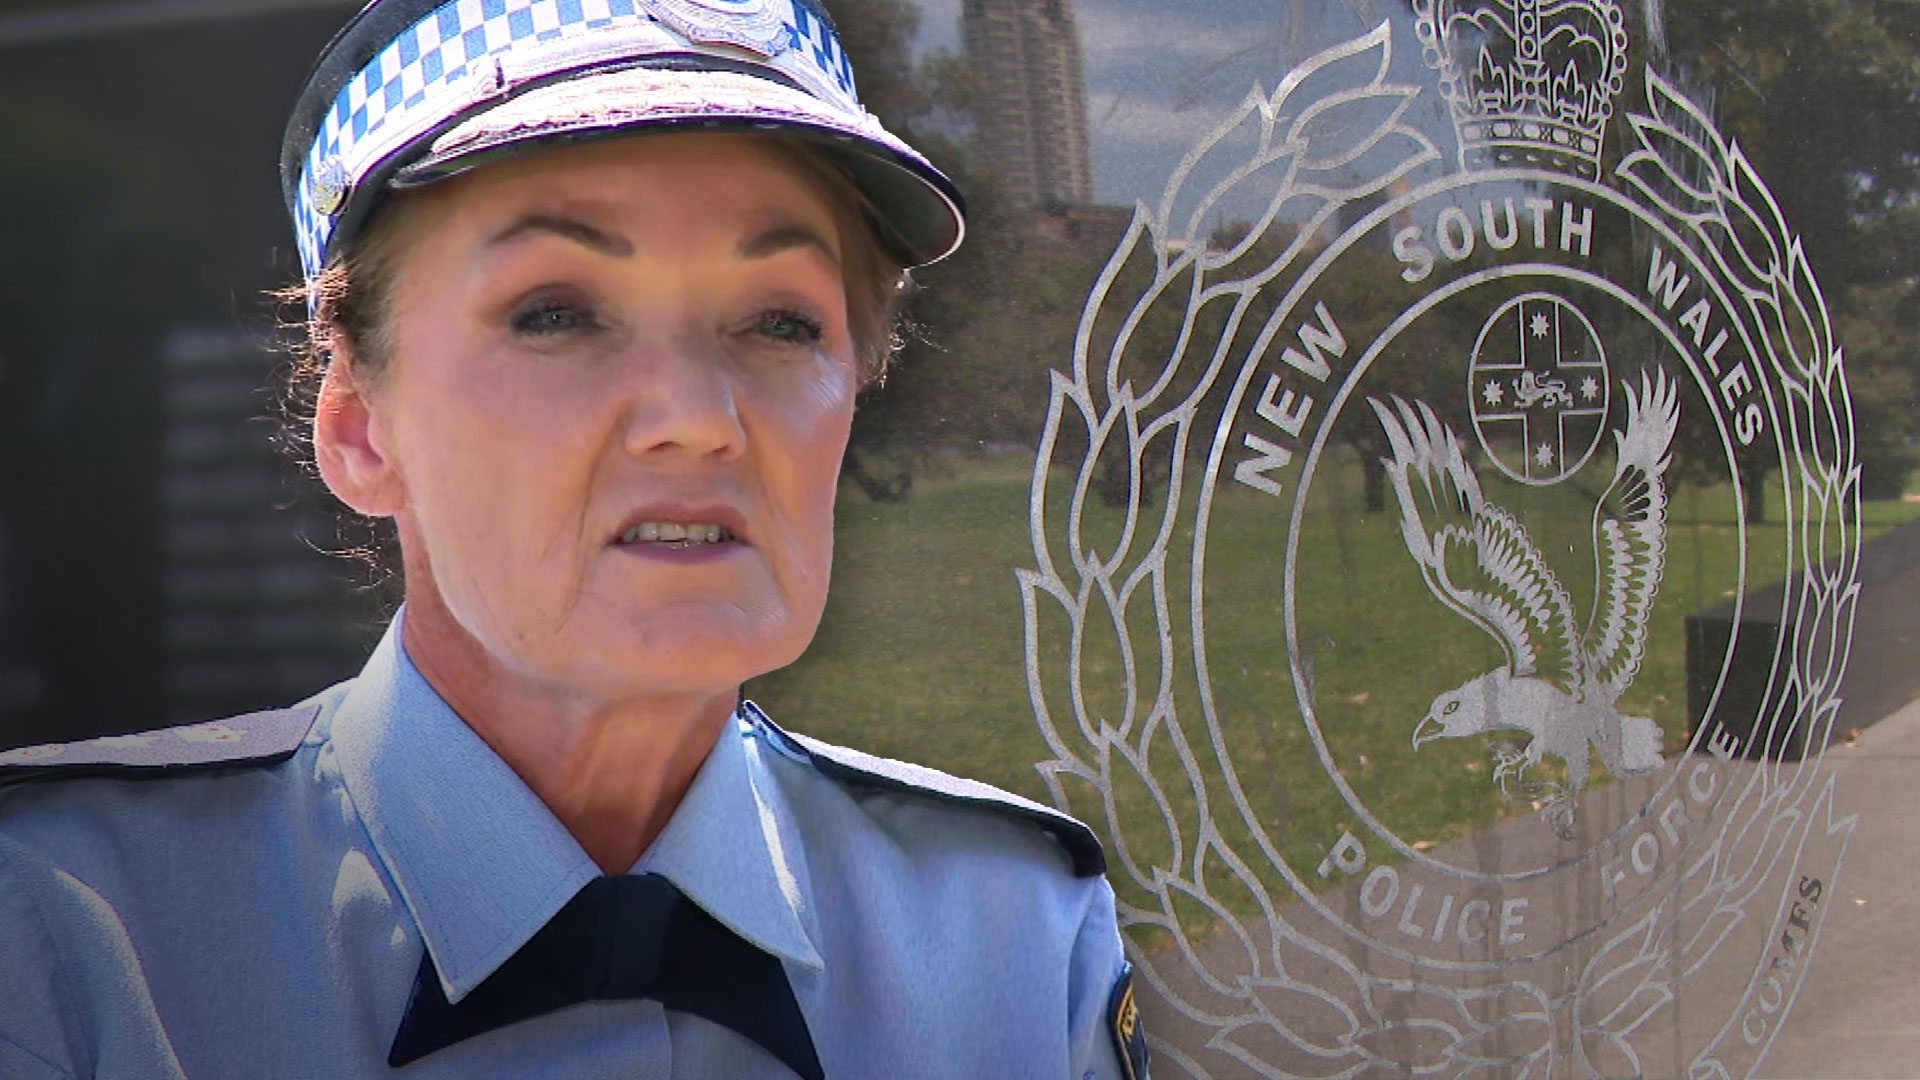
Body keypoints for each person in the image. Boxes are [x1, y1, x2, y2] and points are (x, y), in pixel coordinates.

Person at [0, 1, 1148, 1077]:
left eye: (781, 321)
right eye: (556, 312)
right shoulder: (62, 931)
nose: (699, 417)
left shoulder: (1019, 936)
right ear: (359, 427)